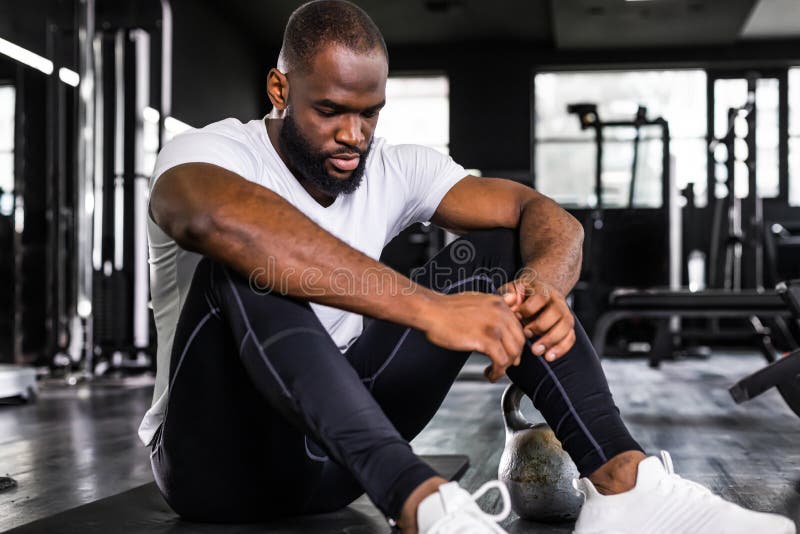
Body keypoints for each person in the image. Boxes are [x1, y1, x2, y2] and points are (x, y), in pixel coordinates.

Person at [139, 1, 796, 533]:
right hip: (214, 466)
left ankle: (624, 485)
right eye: (331, 111)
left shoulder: (394, 165)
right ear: (280, 89)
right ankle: (427, 508)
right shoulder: (210, 151)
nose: (353, 137)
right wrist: (427, 310)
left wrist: (544, 282)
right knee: (244, 264)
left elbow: (540, 212)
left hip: (334, 463)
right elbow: (208, 216)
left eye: (369, 114)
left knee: (492, 261)